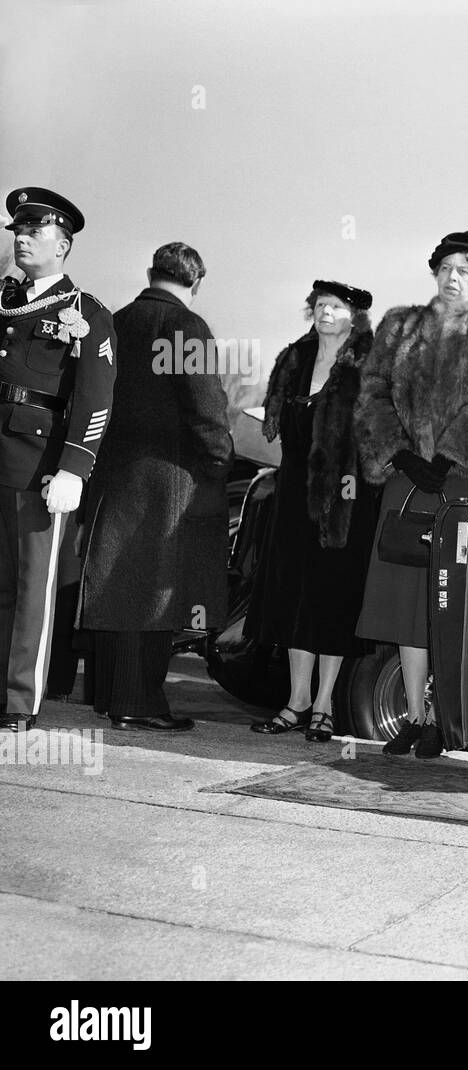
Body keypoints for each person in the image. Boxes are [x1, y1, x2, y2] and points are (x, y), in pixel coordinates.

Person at [354, 225, 468, 758]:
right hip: (407, 485)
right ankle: (415, 717)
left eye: (466, 270)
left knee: (454, 606)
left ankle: (458, 719)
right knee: (407, 605)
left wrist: (451, 454)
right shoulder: (399, 326)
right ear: (435, 273)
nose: (455, 278)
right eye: (447, 269)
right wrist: (399, 453)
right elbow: (372, 394)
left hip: (461, 486)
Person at [79, 244, 232, 731]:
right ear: (197, 282)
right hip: (168, 479)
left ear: (150, 273)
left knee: (115, 585)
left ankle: (107, 696)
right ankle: (139, 703)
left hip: (111, 473)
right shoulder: (185, 326)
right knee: (153, 597)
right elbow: (204, 404)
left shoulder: (116, 322)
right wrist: (219, 459)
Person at [0, 188, 116, 732]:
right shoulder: (5, 302)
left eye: (34, 231)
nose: (21, 238)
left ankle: (19, 702)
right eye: (17, 230)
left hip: (38, 464)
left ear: (63, 244)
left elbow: (96, 398)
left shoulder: (84, 313)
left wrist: (74, 468)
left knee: (32, 590)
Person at [247, 280, 379, 742]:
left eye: (337, 307)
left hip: (346, 497)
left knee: (332, 599)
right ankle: (296, 701)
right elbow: (277, 424)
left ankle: (324, 705)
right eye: (321, 305)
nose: (326, 313)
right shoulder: (295, 358)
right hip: (295, 493)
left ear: (354, 317)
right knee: (294, 596)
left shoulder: (368, 365)